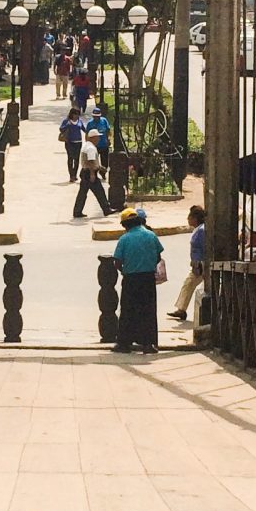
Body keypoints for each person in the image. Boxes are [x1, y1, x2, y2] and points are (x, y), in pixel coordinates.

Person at [113, 206, 164, 353]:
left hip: (131, 279)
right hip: (148, 278)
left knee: (128, 311)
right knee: (148, 310)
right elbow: (158, 257)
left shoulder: (124, 239)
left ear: (124, 225)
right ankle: (148, 344)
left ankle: (124, 343)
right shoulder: (151, 236)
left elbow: (117, 262)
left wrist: (125, 270)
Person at [168, 204, 206, 321]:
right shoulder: (199, 229)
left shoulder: (201, 231)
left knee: (189, 284)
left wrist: (198, 264)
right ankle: (181, 309)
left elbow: (203, 248)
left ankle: (182, 310)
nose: (188, 219)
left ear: (195, 218)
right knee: (189, 284)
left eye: (189, 217)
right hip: (198, 263)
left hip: (201, 264)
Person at [72, 128, 111, 216]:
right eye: (97, 137)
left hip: (85, 172)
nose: (98, 139)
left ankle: (77, 211)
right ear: (93, 138)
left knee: (82, 193)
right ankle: (106, 209)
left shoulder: (87, 145)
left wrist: (100, 167)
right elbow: (90, 161)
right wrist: (92, 174)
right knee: (100, 192)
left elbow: (91, 161)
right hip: (89, 173)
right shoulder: (91, 148)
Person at [59, 107, 84, 180]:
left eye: (78, 115)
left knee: (76, 159)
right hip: (69, 142)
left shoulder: (80, 121)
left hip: (78, 142)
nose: (76, 116)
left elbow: (84, 129)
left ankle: (75, 174)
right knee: (70, 158)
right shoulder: (66, 121)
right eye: (75, 114)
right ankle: (71, 175)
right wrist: (68, 124)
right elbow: (61, 129)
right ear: (71, 114)